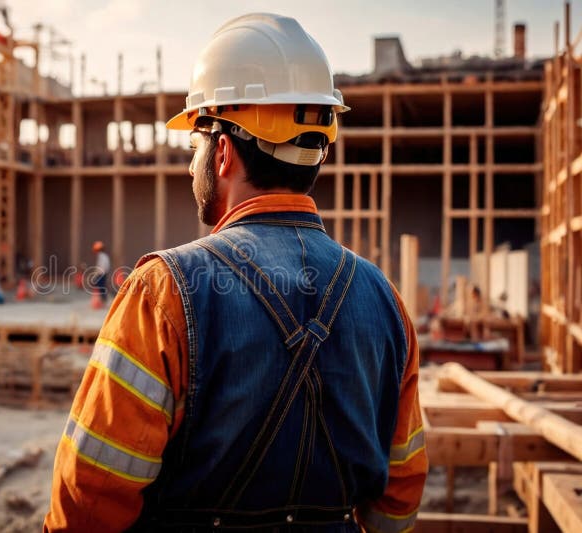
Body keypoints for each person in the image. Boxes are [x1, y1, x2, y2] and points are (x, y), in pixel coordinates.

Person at [45, 13, 426, 532]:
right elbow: (398, 500)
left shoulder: (163, 294)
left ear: (222, 152)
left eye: (196, 144)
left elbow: (89, 500)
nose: (191, 164)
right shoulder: (385, 301)